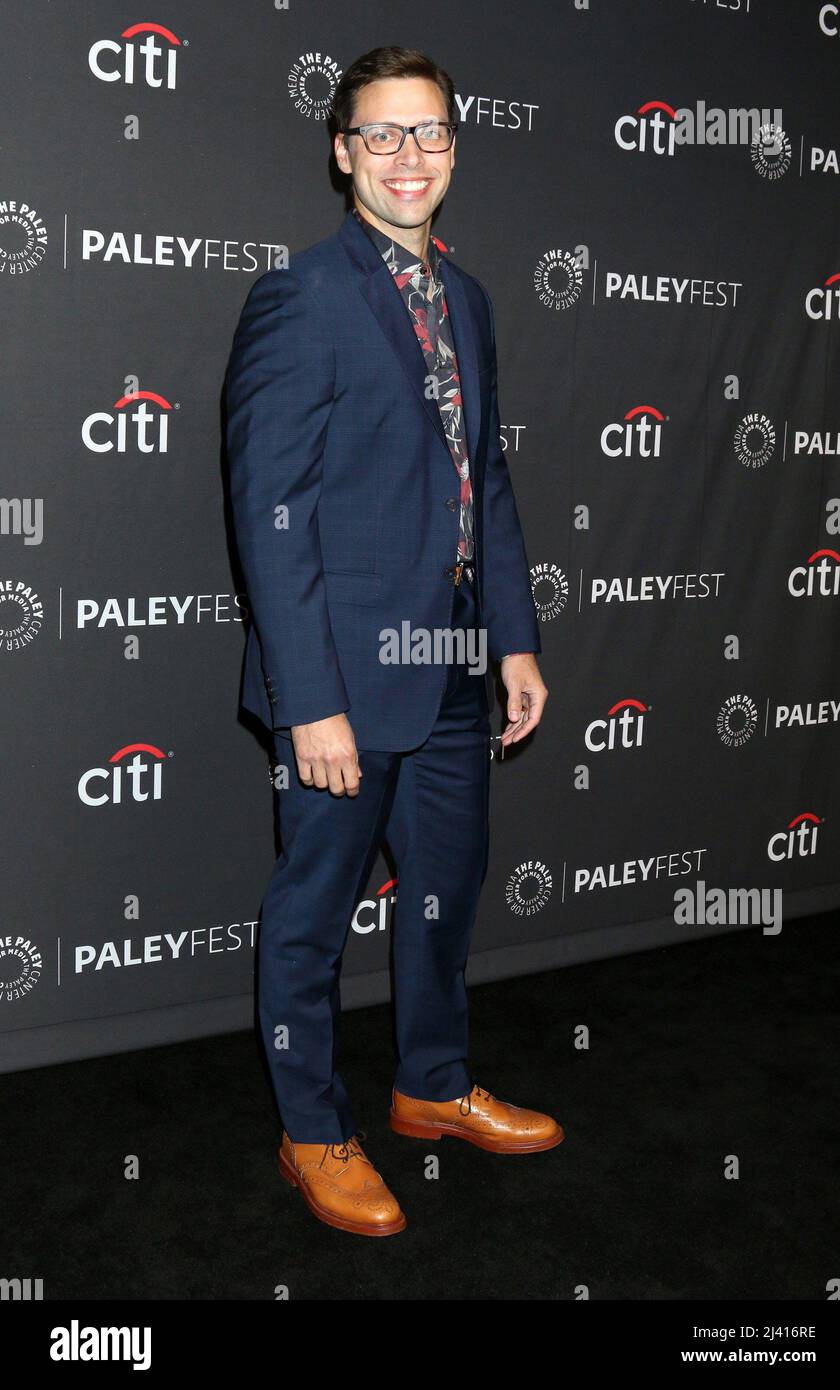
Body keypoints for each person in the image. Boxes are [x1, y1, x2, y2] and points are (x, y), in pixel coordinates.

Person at [225, 45, 563, 1239]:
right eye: (381, 134)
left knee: (443, 897)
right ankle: (312, 1130)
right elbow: (266, 515)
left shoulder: (465, 299)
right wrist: (310, 699)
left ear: (455, 150)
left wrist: (512, 640)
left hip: (455, 669)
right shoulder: (300, 296)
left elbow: (489, 483)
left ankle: (428, 1086)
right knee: (313, 915)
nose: (407, 156)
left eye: (427, 134)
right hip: (345, 680)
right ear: (340, 151)